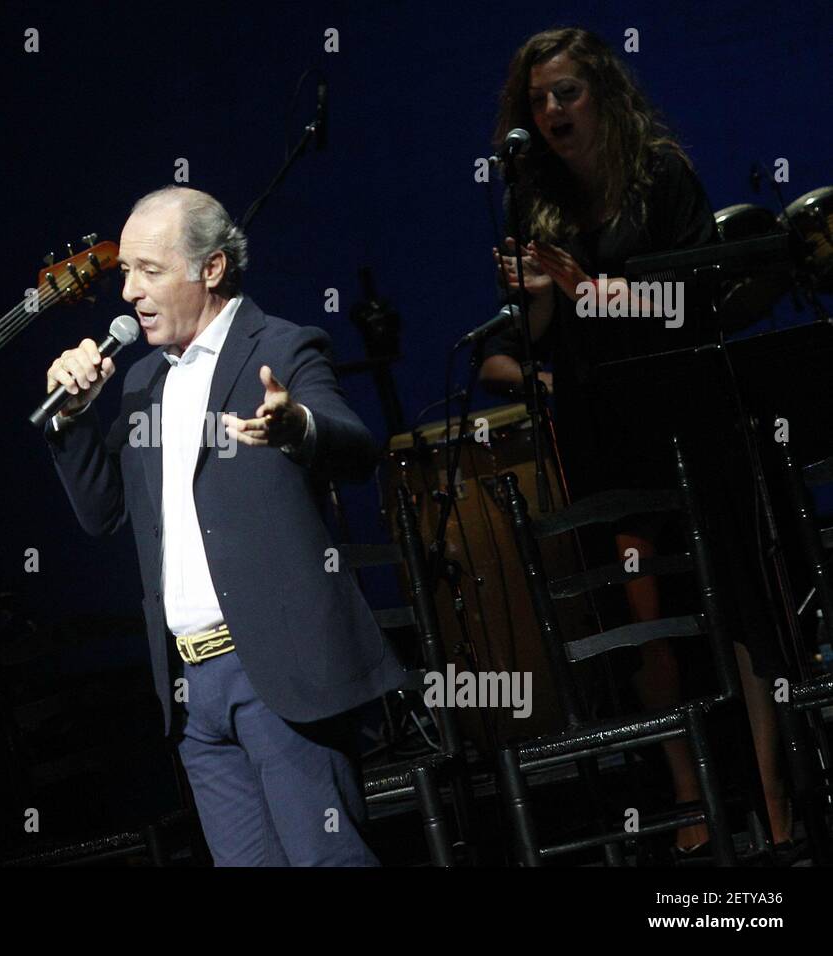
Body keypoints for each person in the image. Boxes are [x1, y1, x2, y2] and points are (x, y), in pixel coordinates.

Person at [479, 27, 791, 853]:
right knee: (641, 611)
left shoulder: (661, 177)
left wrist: (598, 295)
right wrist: (542, 297)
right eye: (538, 98)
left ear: (603, 94)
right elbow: (544, 337)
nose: (551, 111)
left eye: (568, 92)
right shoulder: (532, 196)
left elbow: (697, 305)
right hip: (602, 423)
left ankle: (774, 796)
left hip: (689, 408)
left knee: (736, 601)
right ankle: (692, 806)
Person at [43, 186, 403, 866]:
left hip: (279, 672)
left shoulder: (283, 345)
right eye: (126, 272)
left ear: (210, 269)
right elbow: (103, 513)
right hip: (192, 694)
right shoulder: (141, 381)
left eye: (149, 270)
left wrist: (296, 425)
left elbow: (356, 447)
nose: (128, 292)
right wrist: (70, 419)